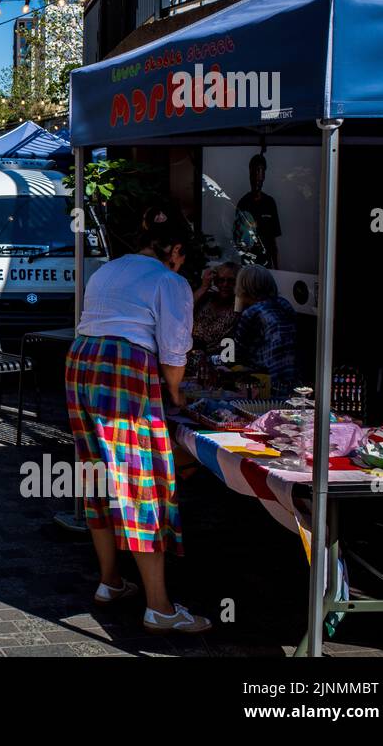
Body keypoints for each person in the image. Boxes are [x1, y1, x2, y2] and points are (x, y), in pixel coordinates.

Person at [66, 215, 212, 635]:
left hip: (82, 360)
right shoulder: (169, 281)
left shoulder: (110, 269)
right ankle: (159, 607)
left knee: (96, 474)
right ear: (176, 252)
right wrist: (179, 396)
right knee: (140, 479)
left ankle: (110, 582)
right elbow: (173, 352)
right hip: (124, 366)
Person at [232, 264, 296, 395]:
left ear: (243, 288)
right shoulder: (284, 304)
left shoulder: (252, 313)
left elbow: (236, 352)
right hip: (291, 377)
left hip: (266, 380)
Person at [236, 153, 282, 269]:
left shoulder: (269, 202)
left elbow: (273, 241)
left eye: (261, 171)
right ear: (249, 174)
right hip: (248, 266)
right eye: (255, 171)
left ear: (264, 175)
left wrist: (277, 269)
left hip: (267, 266)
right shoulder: (243, 203)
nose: (258, 176)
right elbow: (239, 240)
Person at [192, 262, 239, 353]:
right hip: (188, 349)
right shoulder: (206, 297)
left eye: (231, 281)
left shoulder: (238, 305)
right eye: (221, 280)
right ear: (216, 281)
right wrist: (204, 286)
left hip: (213, 356)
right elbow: (184, 309)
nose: (225, 284)